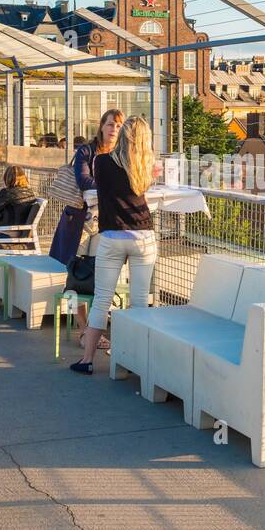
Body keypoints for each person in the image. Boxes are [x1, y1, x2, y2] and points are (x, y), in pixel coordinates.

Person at [72, 115, 157, 374]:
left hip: (111, 236)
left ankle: (87, 360)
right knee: (140, 301)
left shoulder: (102, 161)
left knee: (102, 300)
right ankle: (136, 361)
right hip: (143, 236)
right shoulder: (147, 163)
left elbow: (98, 187)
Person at [50, 109, 122, 266]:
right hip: (80, 217)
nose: (114, 129)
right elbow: (83, 180)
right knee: (74, 262)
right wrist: (113, 188)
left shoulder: (121, 153)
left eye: (118, 126)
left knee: (99, 263)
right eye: (110, 124)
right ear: (102, 126)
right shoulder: (86, 150)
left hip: (108, 219)